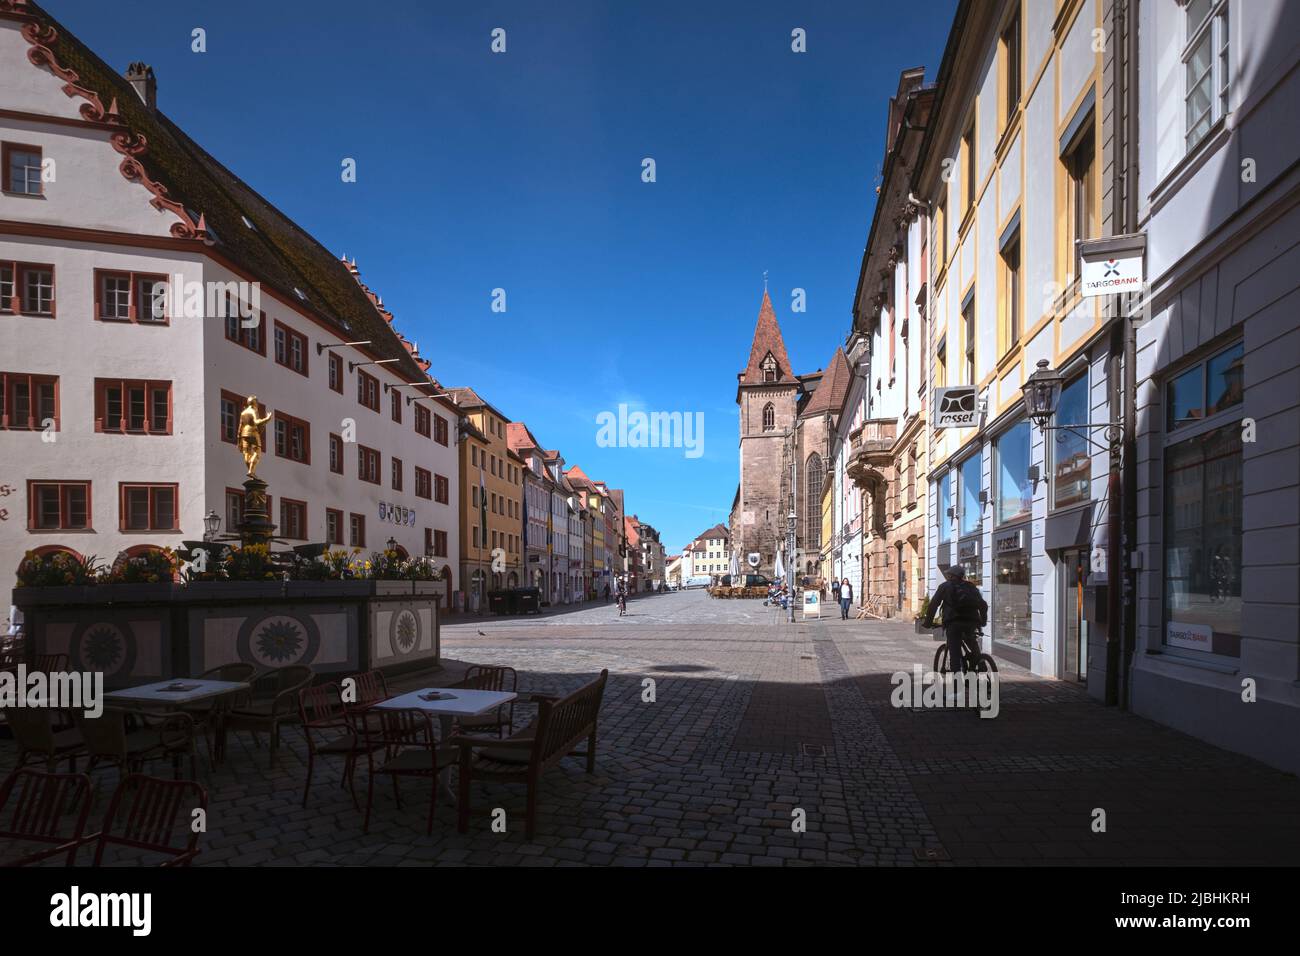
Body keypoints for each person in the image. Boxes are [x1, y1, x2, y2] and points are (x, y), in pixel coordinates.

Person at [922, 566, 988, 673]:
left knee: (955, 653)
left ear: (951, 575)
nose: (947, 576)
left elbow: (933, 605)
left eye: (949, 574)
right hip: (971, 621)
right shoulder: (971, 586)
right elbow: (983, 605)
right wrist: (983, 621)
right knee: (971, 641)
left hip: (954, 622)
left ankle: (957, 685)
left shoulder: (945, 586)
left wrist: (928, 622)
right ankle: (981, 663)